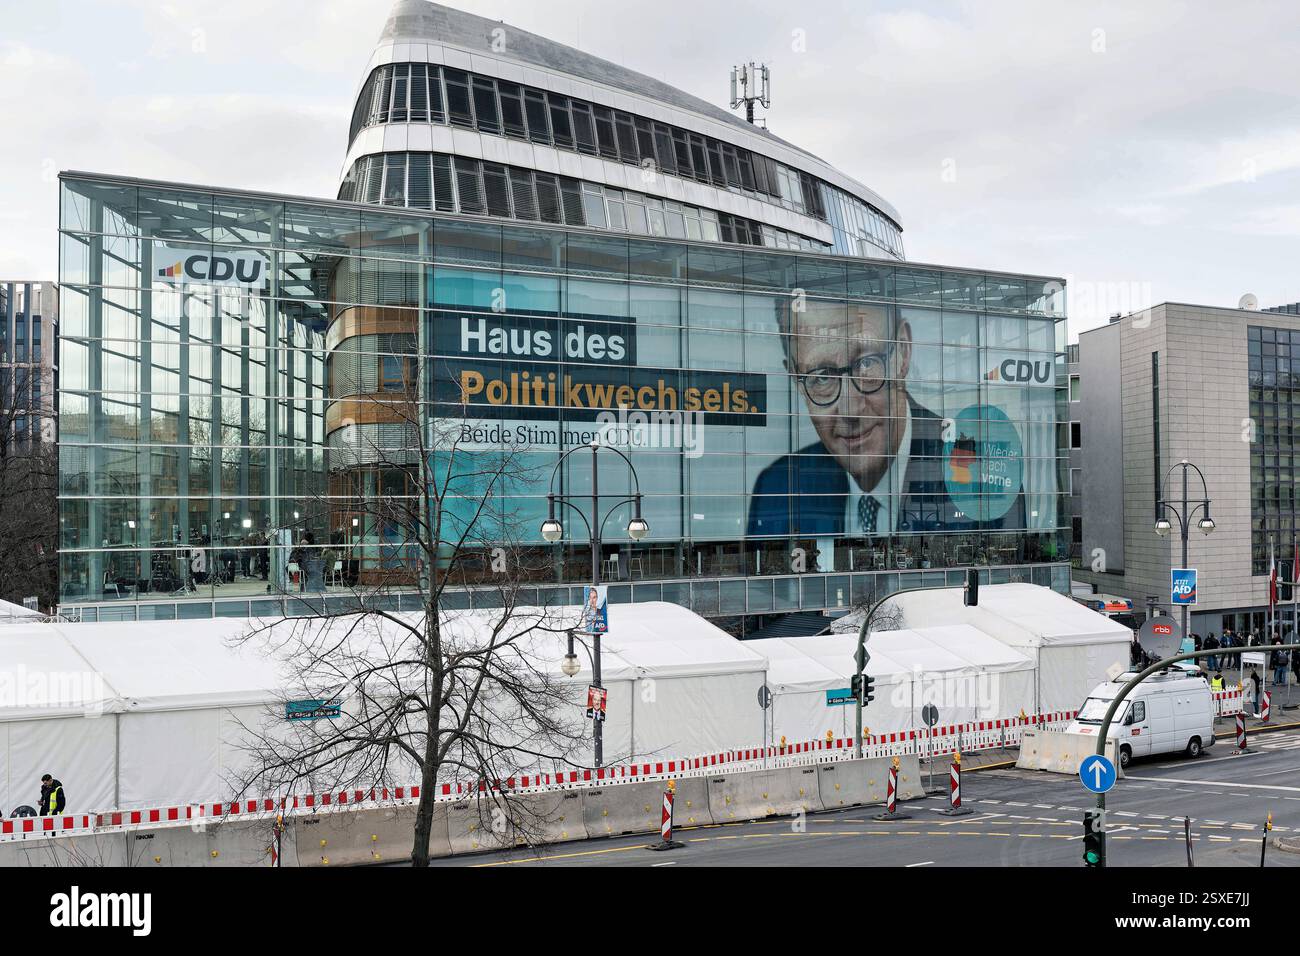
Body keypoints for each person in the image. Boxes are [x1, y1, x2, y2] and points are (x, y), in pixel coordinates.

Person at [747, 300, 1026, 537]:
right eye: (822, 377)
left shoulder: (986, 481)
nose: (850, 410)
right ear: (796, 380)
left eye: (867, 363)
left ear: (903, 352)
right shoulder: (777, 489)